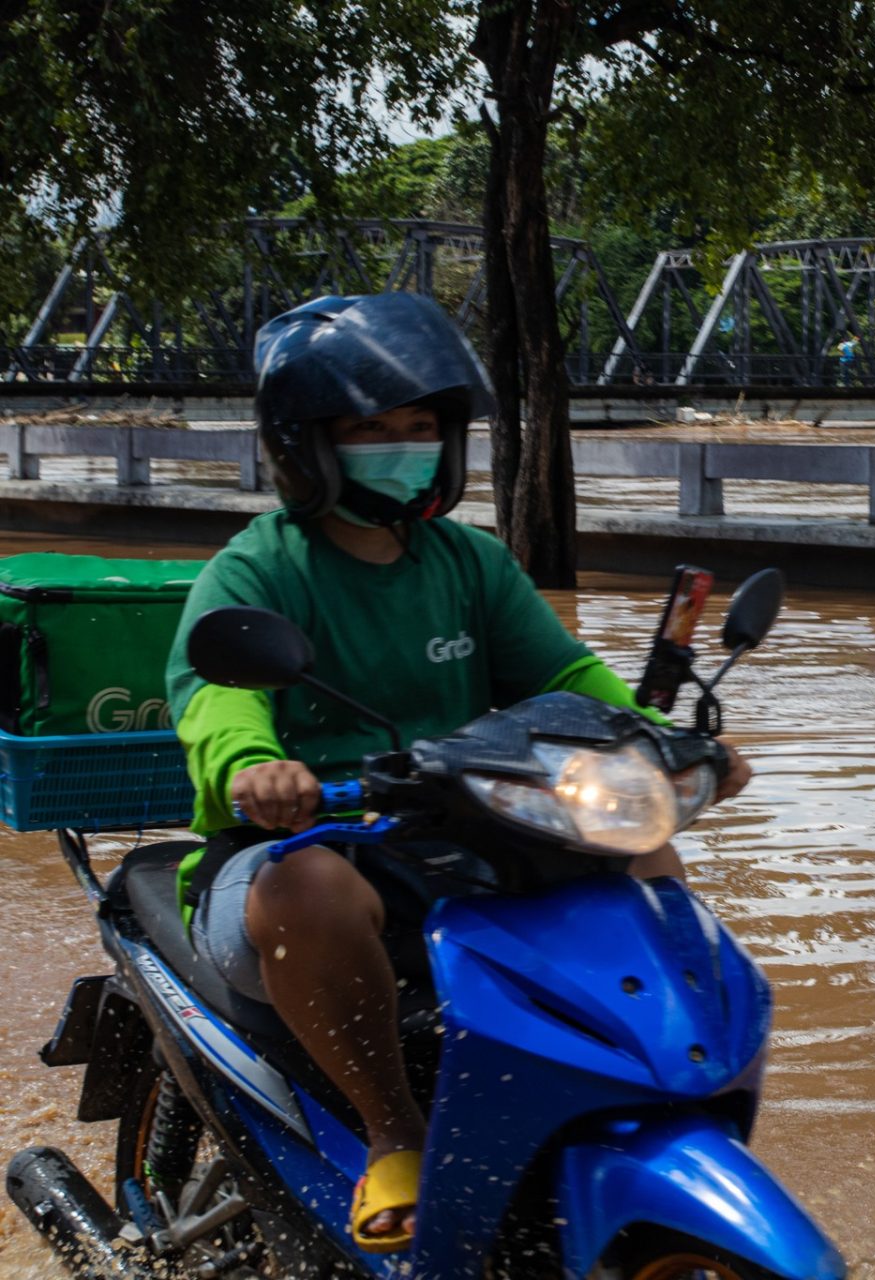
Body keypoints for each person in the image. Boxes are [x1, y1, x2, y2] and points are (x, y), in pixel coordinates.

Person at [163, 293, 751, 1254]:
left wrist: (665, 744)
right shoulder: (257, 570)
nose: (399, 446)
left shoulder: (471, 562)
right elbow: (214, 699)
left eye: (418, 427)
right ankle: (395, 1134)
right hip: (299, 850)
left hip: (457, 834)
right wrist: (257, 767)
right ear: (307, 443)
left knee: (639, 854)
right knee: (311, 886)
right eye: (369, 429)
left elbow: (567, 678)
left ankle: (649, 1089)